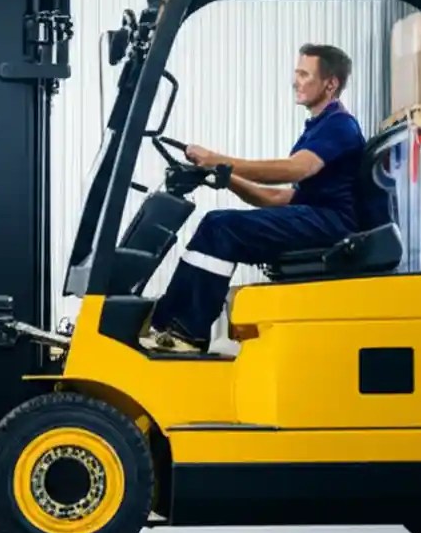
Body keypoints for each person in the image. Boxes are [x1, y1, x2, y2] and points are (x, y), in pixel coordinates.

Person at [149, 44, 365, 349]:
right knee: (217, 223)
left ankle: (185, 331)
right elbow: (276, 197)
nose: (295, 81)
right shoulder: (319, 127)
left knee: (220, 227)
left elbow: (295, 170)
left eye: (304, 74)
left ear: (330, 83)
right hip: (317, 217)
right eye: (296, 73)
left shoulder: (339, 125)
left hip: (332, 225)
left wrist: (217, 159)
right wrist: (225, 177)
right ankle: (166, 324)